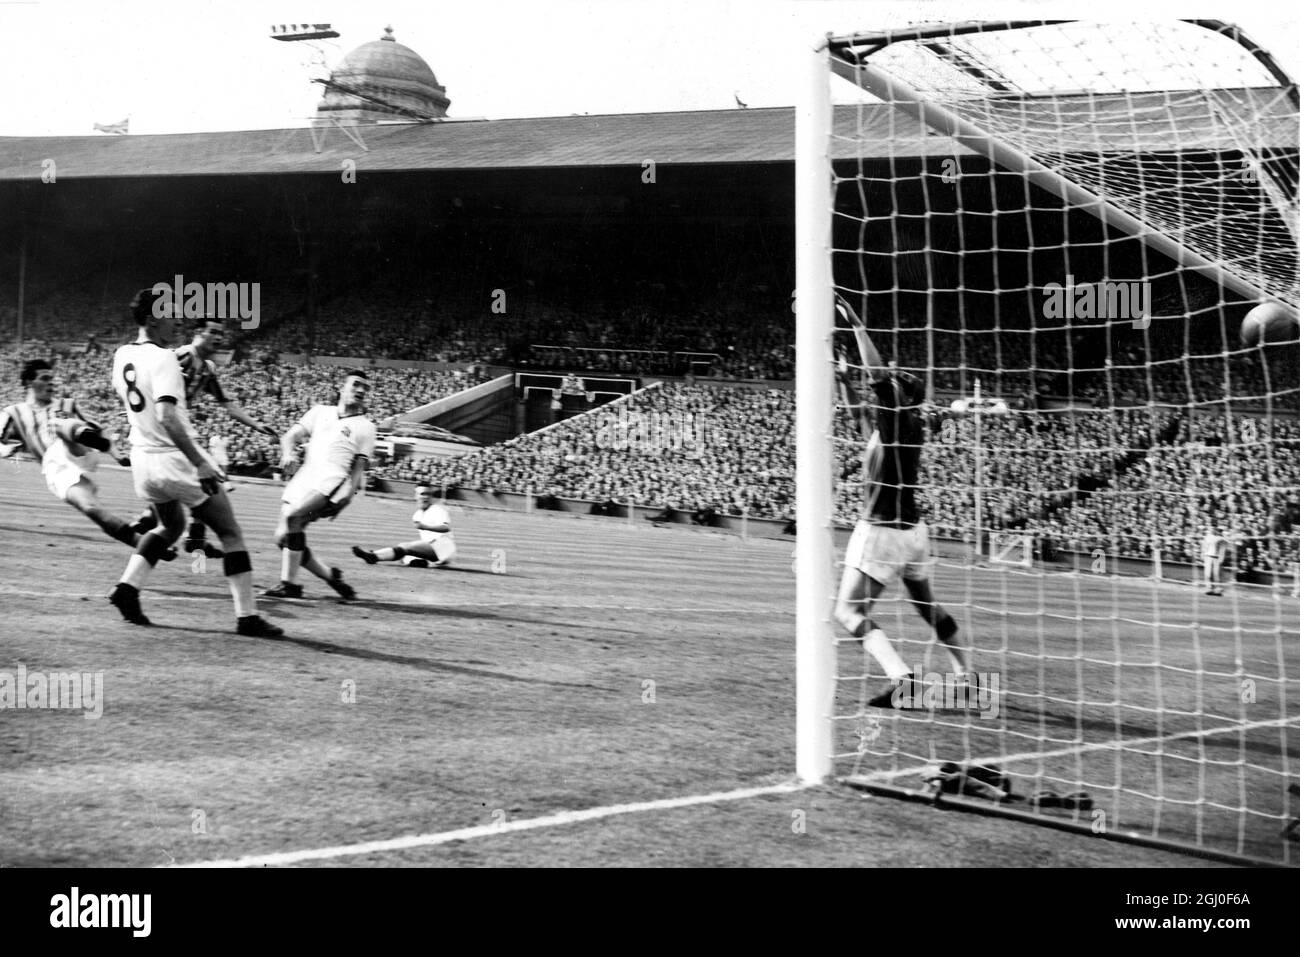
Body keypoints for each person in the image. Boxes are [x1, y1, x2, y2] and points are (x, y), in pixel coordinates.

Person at [107, 288, 282, 636]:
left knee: (169, 528)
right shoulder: (169, 358)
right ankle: (247, 616)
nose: (177, 321)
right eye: (171, 314)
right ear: (154, 318)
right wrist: (199, 462)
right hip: (174, 458)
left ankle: (127, 589)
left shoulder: (122, 353)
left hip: (143, 460)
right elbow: (168, 416)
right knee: (230, 532)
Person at [830, 298, 970, 709]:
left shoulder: (899, 418)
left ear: (902, 397)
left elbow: (876, 375)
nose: (889, 383)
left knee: (848, 612)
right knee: (927, 605)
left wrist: (856, 324)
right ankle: (966, 676)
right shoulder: (898, 427)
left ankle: (903, 678)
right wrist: (843, 380)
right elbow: (859, 416)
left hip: (881, 530)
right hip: (913, 532)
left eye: (895, 383)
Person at [131, 317, 279, 558]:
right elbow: (147, 378)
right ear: (197, 332)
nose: (219, 338)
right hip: (166, 429)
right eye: (213, 332)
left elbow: (228, 404)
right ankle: (175, 531)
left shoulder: (207, 368)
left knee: (206, 484)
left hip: (178, 430)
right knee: (212, 480)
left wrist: (256, 424)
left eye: (222, 334)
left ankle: (176, 532)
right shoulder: (180, 356)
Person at [0, 358, 172, 557]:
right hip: (55, 467)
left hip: (78, 447)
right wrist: (10, 449)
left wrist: (116, 454)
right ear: (29, 382)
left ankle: (77, 433)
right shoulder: (13, 413)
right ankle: (146, 545)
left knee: (60, 422)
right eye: (45, 378)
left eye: (52, 379)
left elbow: (100, 429)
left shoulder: (67, 403)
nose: (51, 383)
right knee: (91, 509)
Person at [264, 370, 375, 600]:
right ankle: (330, 576)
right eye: (356, 385)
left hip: (332, 480)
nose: (361, 390)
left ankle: (290, 585)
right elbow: (289, 437)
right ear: (341, 388)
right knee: (283, 537)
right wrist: (287, 454)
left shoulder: (366, 427)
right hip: (305, 476)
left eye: (366, 387)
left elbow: (358, 468)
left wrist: (348, 495)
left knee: (294, 519)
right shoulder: (320, 411)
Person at [352, 485, 457, 568]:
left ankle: (373, 557)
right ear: (415, 496)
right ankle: (424, 563)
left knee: (405, 547)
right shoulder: (417, 515)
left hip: (443, 547)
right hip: (433, 549)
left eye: (428, 494)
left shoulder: (437, 509)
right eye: (422, 494)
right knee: (404, 555)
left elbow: (445, 528)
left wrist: (424, 526)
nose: (426, 497)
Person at [1202, 524, 1228, 596]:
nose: (1218, 532)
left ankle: (1218, 589)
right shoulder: (1208, 537)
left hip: (1216, 558)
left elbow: (1223, 550)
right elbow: (1204, 547)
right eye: (1217, 530)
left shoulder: (1223, 539)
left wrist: (1221, 559)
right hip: (1208, 557)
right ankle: (1209, 588)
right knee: (1207, 574)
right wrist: (1203, 555)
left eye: (1220, 531)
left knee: (1216, 574)